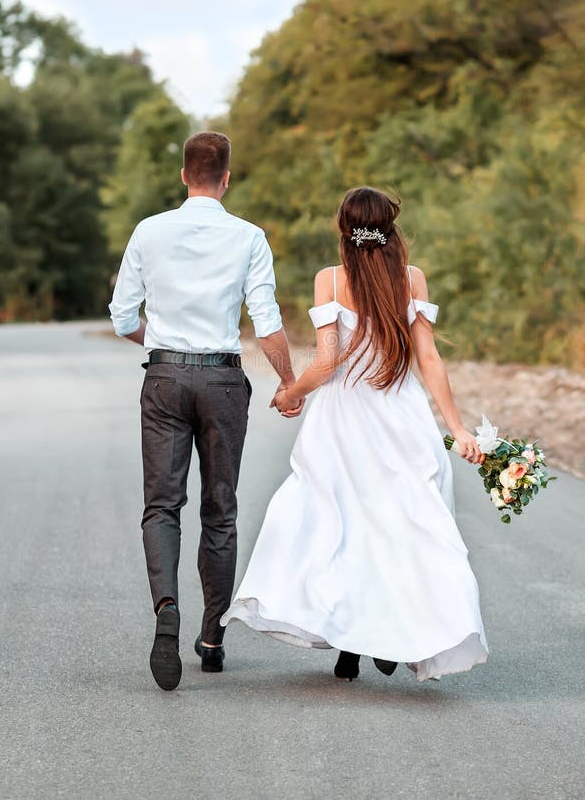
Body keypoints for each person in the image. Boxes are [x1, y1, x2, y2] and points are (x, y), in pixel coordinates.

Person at [221, 185, 489, 683]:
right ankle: (388, 635)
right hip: (401, 415)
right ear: (391, 228)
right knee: (401, 526)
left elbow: (327, 362)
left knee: (338, 525)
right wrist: (455, 427)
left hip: (343, 419)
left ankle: (352, 641)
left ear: (345, 230)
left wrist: (289, 392)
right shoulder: (412, 279)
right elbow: (428, 358)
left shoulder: (331, 280)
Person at [109, 131, 302, 691]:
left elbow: (123, 318)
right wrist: (290, 382)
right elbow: (265, 321)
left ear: (183, 175)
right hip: (221, 380)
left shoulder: (149, 231)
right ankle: (212, 637)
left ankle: (165, 608)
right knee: (220, 510)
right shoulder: (248, 237)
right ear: (227, 177)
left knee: (162, 506)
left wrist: (160, 345)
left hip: (165, 377)